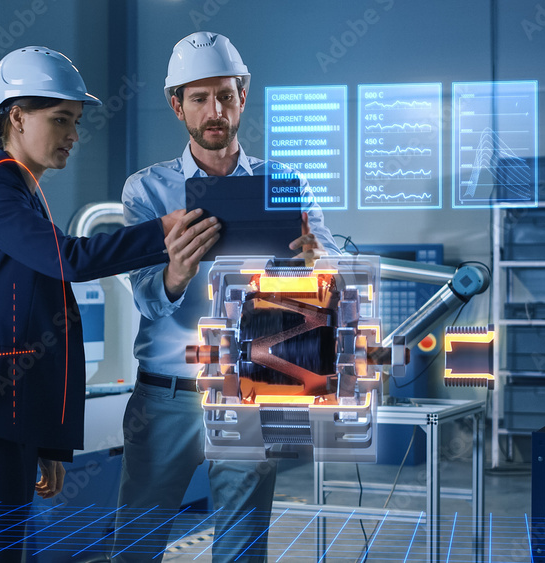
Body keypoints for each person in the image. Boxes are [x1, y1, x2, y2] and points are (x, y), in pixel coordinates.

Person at [0, 46, 220, 562]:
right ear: (16, 116)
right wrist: (162, 231)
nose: (73, 136)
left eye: (75, 121)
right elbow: (70, 259)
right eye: (60, 120)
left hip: (4, 422)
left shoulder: (21, 188)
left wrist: (49, 445)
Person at [111, 32, 341, 562]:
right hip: (165, 398)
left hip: (248, 393)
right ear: (177, 105)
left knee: (241, 552)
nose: (215, 110)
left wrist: (316, 267)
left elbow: (333, 279)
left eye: (226, 96)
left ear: (243, 97)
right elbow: (147, 299)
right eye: (199, 98)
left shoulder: (283, 183)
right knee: (136, 549)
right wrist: (178, 271)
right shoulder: (147, 191)